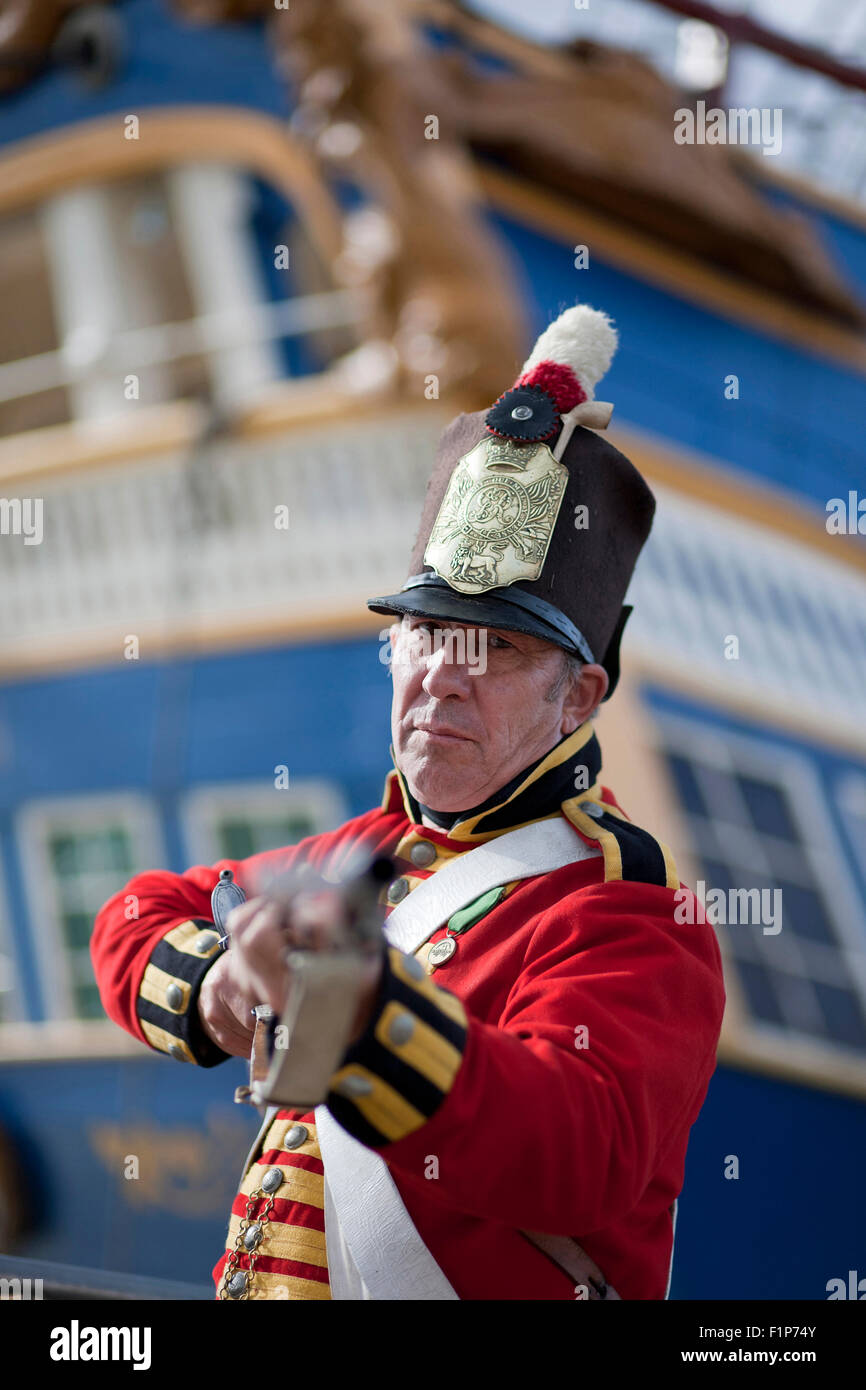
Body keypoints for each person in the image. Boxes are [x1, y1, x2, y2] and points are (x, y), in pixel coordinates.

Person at [92, 303, 725, 1300]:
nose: (441, 673)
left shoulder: (631, 912)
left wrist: (365, 1020)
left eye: (497, 647)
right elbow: (135, 911)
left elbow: (577, 1152)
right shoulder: (365, 846)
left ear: (580, 696)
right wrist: (216, 988)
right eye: (423, 633)